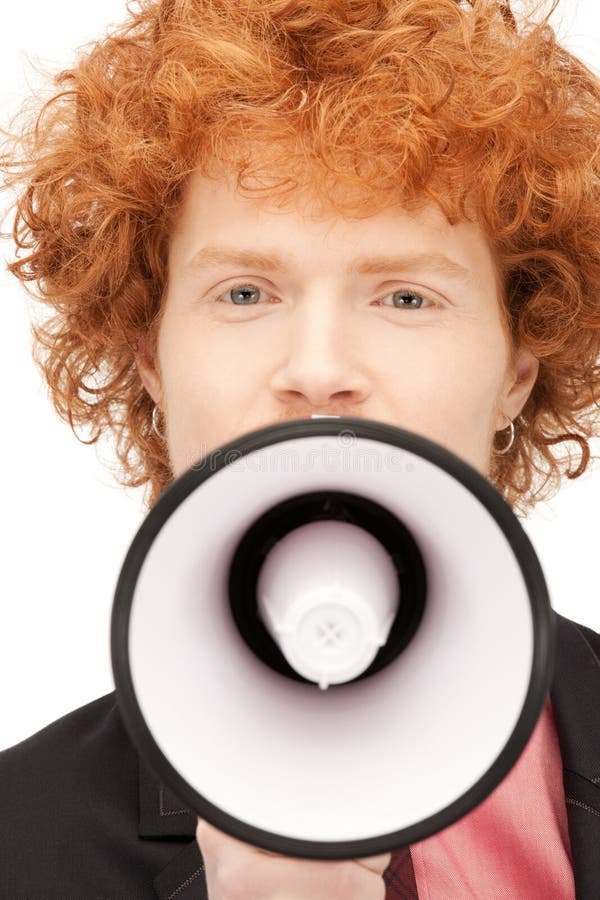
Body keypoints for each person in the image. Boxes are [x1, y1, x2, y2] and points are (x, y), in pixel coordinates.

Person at [1, 0, 599, 896]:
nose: (318, 371)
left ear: (518, 366)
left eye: (405, 298)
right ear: (149, 357)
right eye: (245, 294)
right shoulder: (21, 841)